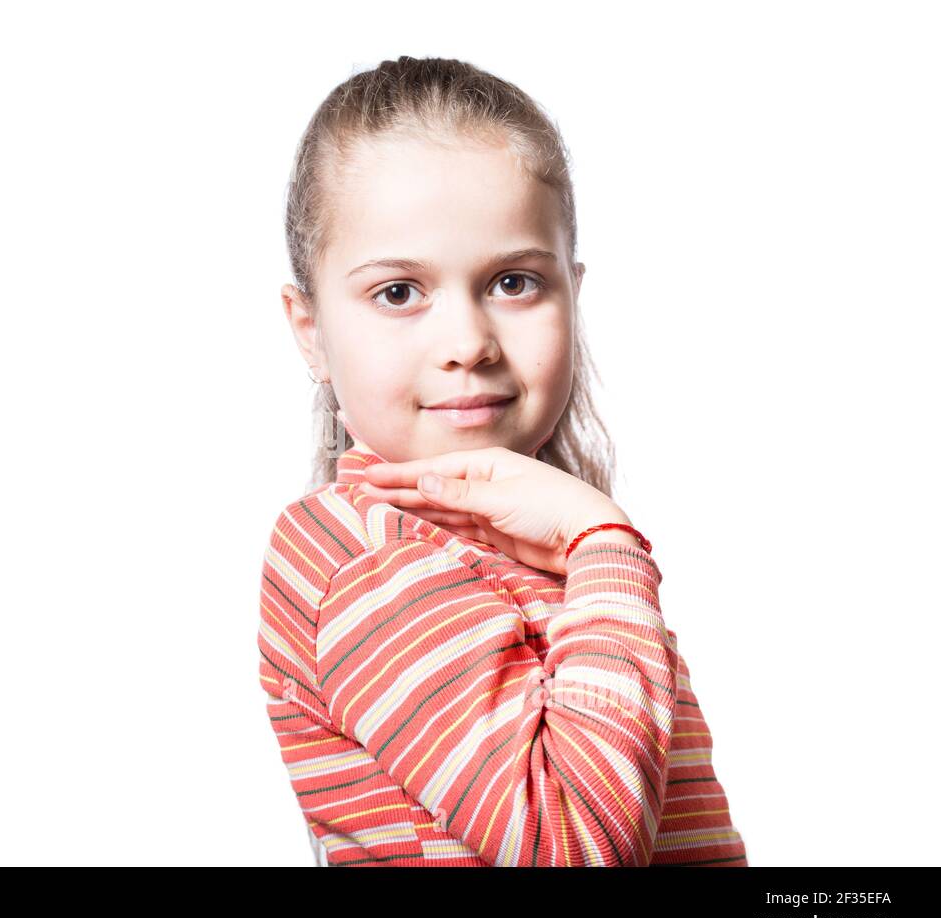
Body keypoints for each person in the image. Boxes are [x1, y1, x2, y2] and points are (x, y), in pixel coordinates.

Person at [256, 56, 748, 866]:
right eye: (399, 292)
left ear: (572, 294)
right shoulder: (368, 556)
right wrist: (606, 543)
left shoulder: (539, 545)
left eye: (514, 282)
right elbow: (577, 845)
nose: (468, 344)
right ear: (309, 328)